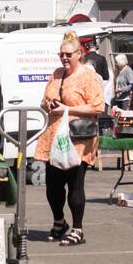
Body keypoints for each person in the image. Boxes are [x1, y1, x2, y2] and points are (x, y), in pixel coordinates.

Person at [36, 31, 106, 247]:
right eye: (61, 54)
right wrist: (48, 105)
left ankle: (78, 229)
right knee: (52, 186)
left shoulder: (88, 76)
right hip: (54, 135)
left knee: (75, 185)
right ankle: (59, 222)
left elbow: (98, 106)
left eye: (68, 54)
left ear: (79, 53)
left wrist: (69, 108)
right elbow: (43, 100)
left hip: (78, 137)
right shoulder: (56, 74)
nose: (64, 58)